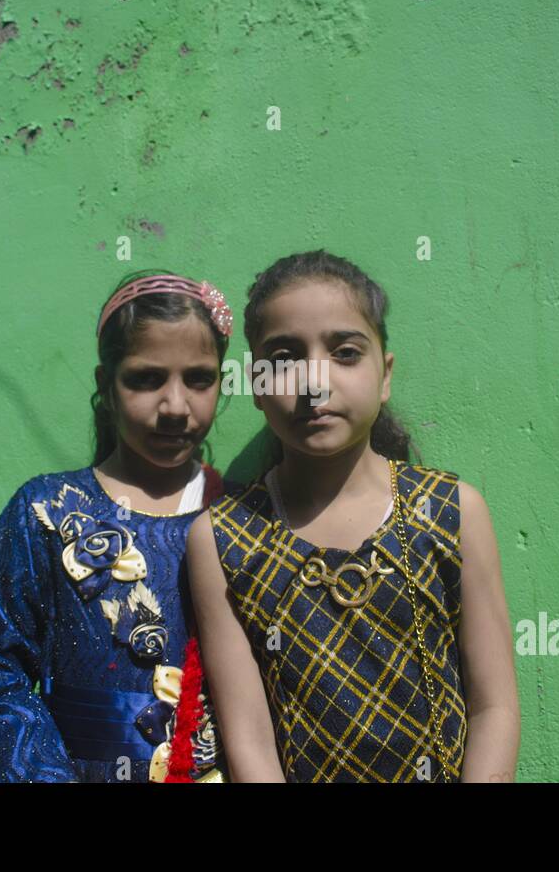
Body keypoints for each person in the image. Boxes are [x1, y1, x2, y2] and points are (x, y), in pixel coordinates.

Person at [187, 250, 520, 782]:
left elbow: (494, 707)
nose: (314, 380)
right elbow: (248, 737)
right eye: (285, 357)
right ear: (255, 382)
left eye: (344, 352)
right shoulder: (223, 538)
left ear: (384, 374)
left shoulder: (451, 511)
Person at [0, 270, 234, 782]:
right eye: (146, 379)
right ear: (106, 385)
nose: (175, 406)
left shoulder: (238, 516)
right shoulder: (47, 512)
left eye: (199, 378)